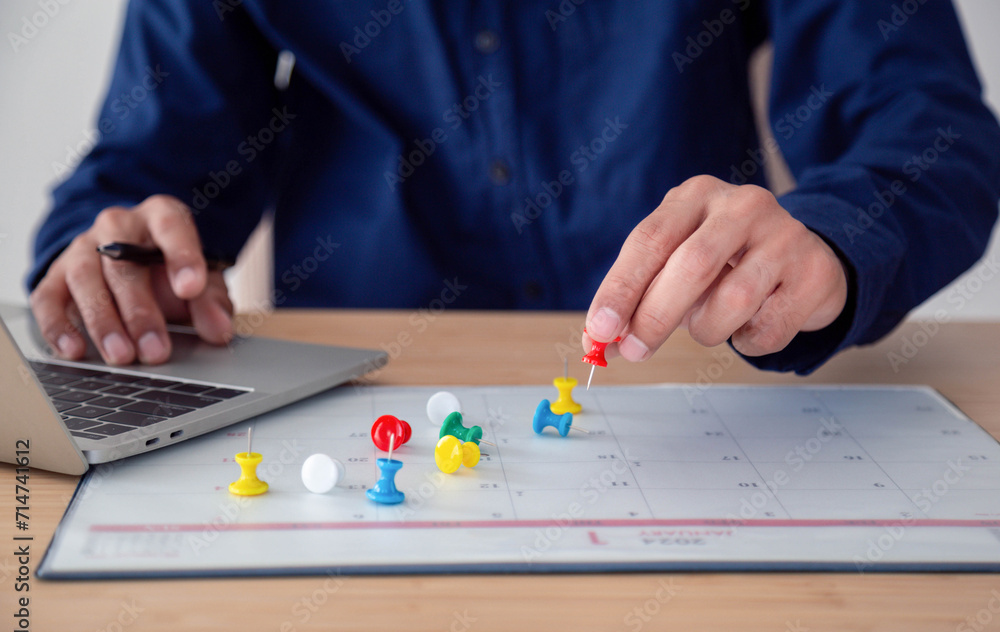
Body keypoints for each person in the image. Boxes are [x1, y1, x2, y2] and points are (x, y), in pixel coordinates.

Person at [27, 0, 1000, 374]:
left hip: (700, 397)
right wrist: (109, 257)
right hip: (365, 407)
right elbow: (147, 170)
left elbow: (931, 127)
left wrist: (828, 240)